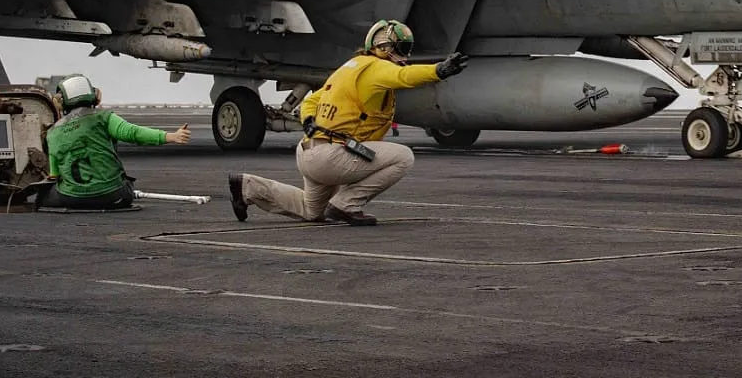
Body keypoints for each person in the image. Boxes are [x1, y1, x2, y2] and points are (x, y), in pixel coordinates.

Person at [229, 19, 469, 226]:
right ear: (385, 47)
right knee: (403, 157)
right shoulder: (376, 67)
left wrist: (309, 121)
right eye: (402, 48)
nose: (405, 55)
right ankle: (347, 204)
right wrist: (439, 70)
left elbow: (312, 101)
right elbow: (403, 77)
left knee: (311, 210)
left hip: (309, 152)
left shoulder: (348, 68)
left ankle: (247, 186)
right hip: (333, 156)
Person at [38, 74, 191, 210]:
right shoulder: (104, 118)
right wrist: (171, 136)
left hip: (72, 199)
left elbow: (54, 175)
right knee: (122, 185)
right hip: (115, 195)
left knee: (43, 196)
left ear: (60, 102)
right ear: (95, 96)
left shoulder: (52, 133)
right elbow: (134, 133)